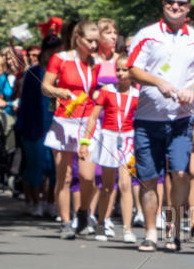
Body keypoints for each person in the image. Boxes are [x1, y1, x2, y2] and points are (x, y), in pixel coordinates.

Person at [128, 0, 194, 251]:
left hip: (181, 119)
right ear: (163, 3)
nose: (175, 6)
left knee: (181, 172)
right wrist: (158, 82)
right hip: (148, 119)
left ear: (188, 8)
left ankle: (174, 228)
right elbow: (133, 70)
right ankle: (151, 232)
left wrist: (192, 89)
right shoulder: (147, 35)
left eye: (181, 3)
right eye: (170, 2)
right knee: (149, 178)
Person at [42, 21, 103, 237]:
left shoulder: (96, 63)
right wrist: (60, 92)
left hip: (88, 122)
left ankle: (84, 211)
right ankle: (66, 222)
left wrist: (98, 96)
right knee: (64, 176)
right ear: (77, 38)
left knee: (88, 175)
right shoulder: (60, 59)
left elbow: (99, 90)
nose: (94, 45)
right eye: (89, 41)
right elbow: (45, 87)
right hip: (63, 122)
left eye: (97, 41)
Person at [83, 53, 139, 243]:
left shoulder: (138, 94)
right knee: (107, 186)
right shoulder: (107, 91)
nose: (121, 74)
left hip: (128, 139)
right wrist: (85, 141)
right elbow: (93, 116)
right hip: (108, 137)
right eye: (118, 69)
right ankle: (101, 223)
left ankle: (127, 229)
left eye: (126, 70)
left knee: (126, 184)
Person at [16, 36, 56, 218]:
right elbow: (25, 103)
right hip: (35, 126)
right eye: (51, 51)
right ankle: (34, 201)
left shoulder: (60, 73)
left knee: (53, 167)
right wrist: (22, 127)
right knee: (36, 165)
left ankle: (50, 202)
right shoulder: (32, 73)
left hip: (55, 125)